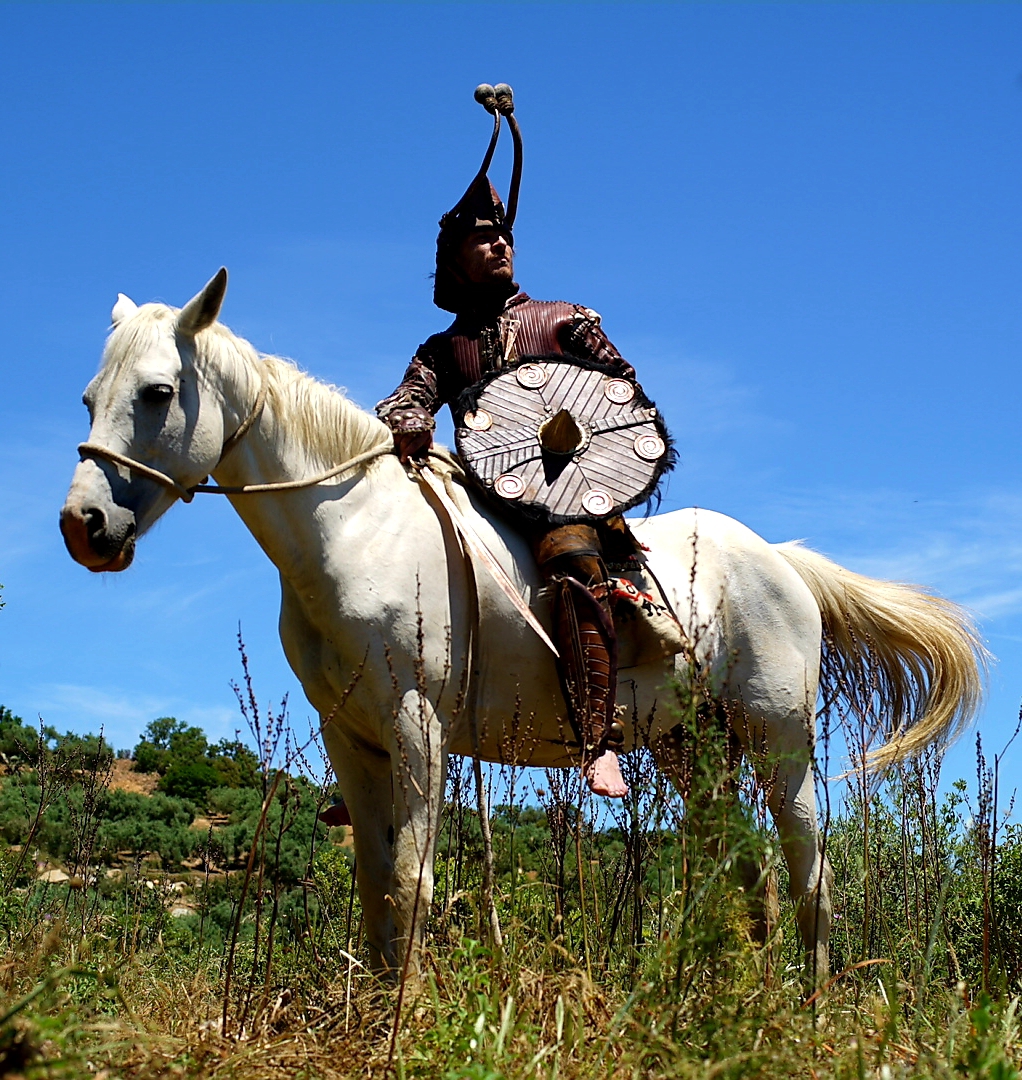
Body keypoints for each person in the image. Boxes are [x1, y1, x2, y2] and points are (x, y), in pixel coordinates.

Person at [377, 85, 657, 799]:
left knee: (569, 558)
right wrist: (408, 419)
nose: (500, 241)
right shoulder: (442, 350)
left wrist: (578, 437)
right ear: (455, 255)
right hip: (474, 489)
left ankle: (598, 737)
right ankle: (381, 751)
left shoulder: (566, 321)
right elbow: (407, 399)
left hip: (563, 498)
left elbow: (627, 396)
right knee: (389, 570)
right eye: (482, 234)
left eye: (503, 232)